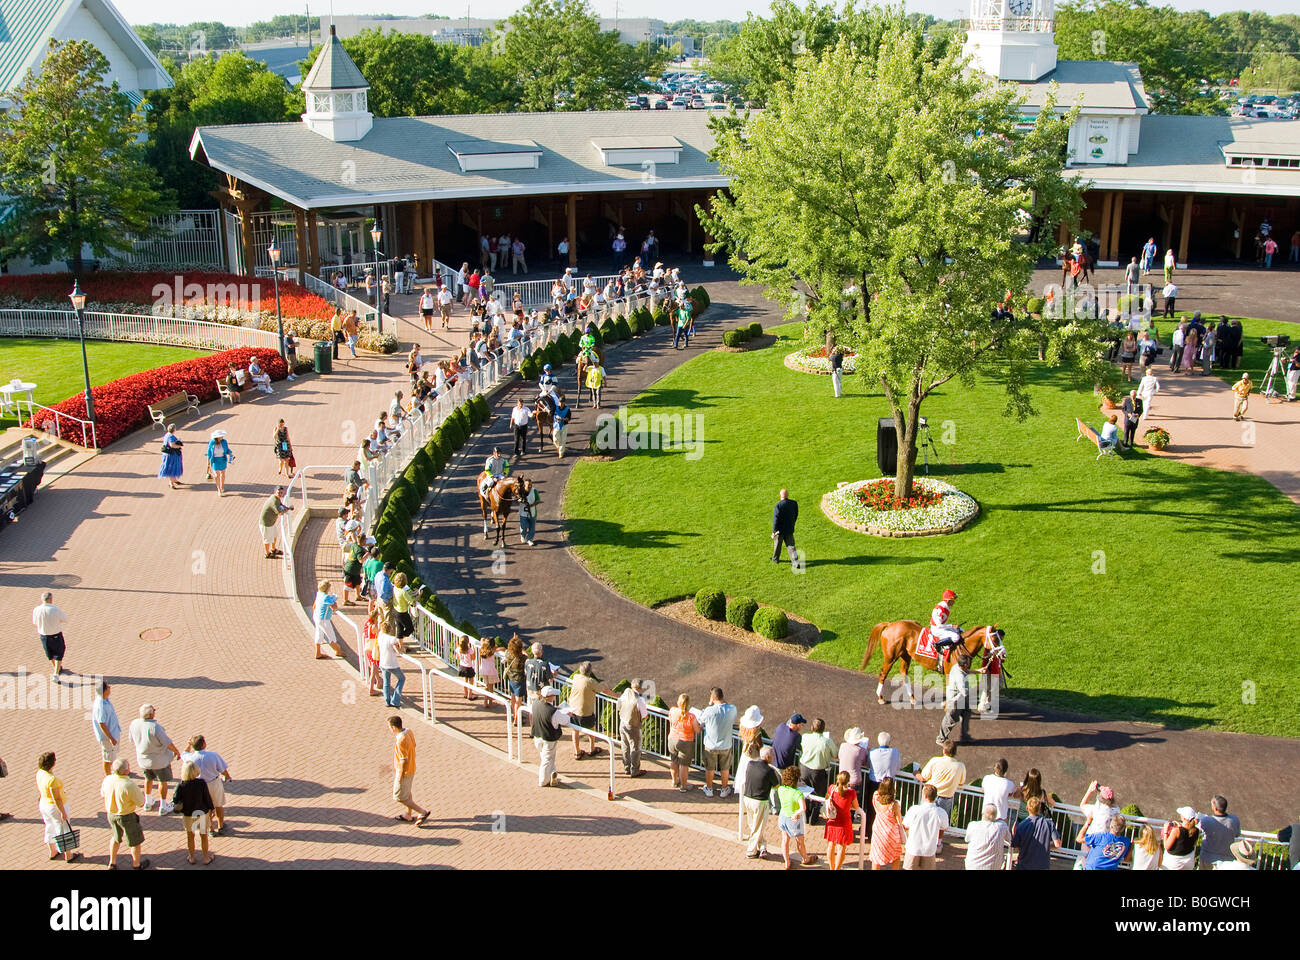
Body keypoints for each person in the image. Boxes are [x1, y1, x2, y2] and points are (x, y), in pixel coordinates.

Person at [129, 703, 181, 815]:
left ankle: (147, 802)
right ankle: (163, 805)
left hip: (143, 759)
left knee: (148, 778)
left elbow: (131, 740)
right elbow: (167, 743)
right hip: (159, 761)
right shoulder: (155, 727)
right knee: (162, 781)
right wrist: (176, 751)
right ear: (151, 714)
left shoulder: (134, 724)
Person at [101, 759, 148, 869]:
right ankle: (136, 865)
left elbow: (103, 794)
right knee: (135, 841)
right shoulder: (129, 785)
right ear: (127, 770)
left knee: (116, 837)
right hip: (127, 816)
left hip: (111, 814)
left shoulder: (107, 779)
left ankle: (112, 863)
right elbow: (141, 803)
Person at [181, 735, 233, 835]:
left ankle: (211, 829)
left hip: (199, 786)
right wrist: (228, 776)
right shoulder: (213, 755)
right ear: (204, 744)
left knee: (206, 807)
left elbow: (184, 753)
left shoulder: (190, 758)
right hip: (214, 783)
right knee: (218, 805)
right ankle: (220, 826)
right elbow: (223, 770)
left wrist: (188, 745)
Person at [36, 752, 80, 863]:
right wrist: (63, 812)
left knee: (49, 826)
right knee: (63, 828)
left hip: (44, 804)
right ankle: (68, 855)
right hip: (55, 807)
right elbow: (57, 799)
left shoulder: (40, 773)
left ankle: (53, 851)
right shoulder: (52, 780)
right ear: (52, 763)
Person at [771, 766, 817, 869]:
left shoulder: (781, 789)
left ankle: (787, 862)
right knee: (800, 841)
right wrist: (797, 813)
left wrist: (798, 784)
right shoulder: (798, 793)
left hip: (783, 817)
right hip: (794, 820)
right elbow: (803, 808)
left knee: (785, 840)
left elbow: (788, 788)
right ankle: (805, 858)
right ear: (796, 779)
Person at [740, 745, 780, 860]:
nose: (774, 757)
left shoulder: (751, 764)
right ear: (767, 757)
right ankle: (751, 851)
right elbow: (776, 786)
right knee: (758, 827)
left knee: (754, 825)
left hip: (747, 798)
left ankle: (762, 846)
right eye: (772, 755)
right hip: (760, 802)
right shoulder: (769, 771)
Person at [700, 687, 738, 798]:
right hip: (725, 745)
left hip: (711, 745)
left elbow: (700, 721)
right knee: (725, 768)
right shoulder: (732, 709)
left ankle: (709, 788)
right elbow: (727, 705)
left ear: (712, 697)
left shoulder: (709, 710)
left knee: (709, 768)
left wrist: (711, 703)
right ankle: (724, 788)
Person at [174, 761, 215, 864]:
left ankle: (191, 857)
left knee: (190, 835)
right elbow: (207, 798)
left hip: (188, 814)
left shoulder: (181, 785)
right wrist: (212, 808)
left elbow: (176, 800)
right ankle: (206, 858)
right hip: (201, 812)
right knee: (203, 835)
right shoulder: (201, 783)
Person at [918, 740, 966, 827]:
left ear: (944, 751)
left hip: (929, 795)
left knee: (923, 822)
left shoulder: (935, 761)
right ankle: (938, 841)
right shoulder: (960, 766)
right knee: (940, 825)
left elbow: (923, 777)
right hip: (946, 799)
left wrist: (915, 772)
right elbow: (961, 783)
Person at [902, 783, 948, 870]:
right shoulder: (940, 812)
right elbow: (945, 826)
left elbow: (905, 825)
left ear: (924, 796)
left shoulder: (914, 809)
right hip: (929, 849)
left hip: (913, 847)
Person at [531, 686, 570, 788]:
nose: (555, 697)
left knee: (545, 757)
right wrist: (568, 715)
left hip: (537, 735)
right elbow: (565, 720)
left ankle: (552, 772)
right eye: (553, 696)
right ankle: (543, 780)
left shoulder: (535, 704)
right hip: (548, 738)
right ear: (550, 697)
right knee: (547, 759)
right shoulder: (552, 712)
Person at [796, 718, 834, 821]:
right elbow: (835, 754)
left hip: (804, 768)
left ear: (812, 727)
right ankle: (813, 818)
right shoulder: (827, 741)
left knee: (803, 792)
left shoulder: (805, 737)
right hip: (818, 771)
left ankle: (805, 816)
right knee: (818, 794)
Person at [1011, 795, 1061, 869]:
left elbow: (1015, 845)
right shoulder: (1049, 823)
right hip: (1042, 865)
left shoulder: (1021, 825)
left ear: (1027, 808)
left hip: (1024, 865)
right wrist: (1045, 845)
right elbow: (1057, 844)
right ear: (1040, 808)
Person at [822, 771, 858, 870]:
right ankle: (837, 868)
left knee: (830, 844)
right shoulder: (851, 793)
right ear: (848, 781)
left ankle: (831, 867)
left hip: (832, 821)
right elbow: (856, 806)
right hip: (844, 822)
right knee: (841, 847)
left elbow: (827, 798)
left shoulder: (831, 788)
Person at [566, 661, 602, 759]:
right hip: (585, 712)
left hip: (573, 710)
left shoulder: (576, 677)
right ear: (590, 671)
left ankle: (577, 752)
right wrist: (616, 695)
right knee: (591, 730)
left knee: (575, 731)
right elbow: (602, 689)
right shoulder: (591, 681)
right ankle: (592, 748)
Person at [1196, 795, 1241, 870]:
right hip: (1227, 861)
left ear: (1215, 808)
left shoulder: (1206, 820)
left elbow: (1196, 832)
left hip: (1208, 858)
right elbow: (1237, 834)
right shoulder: (1234, 819)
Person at [667, 693, 701, 791]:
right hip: (686, 742)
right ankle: (683, 786)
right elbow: (697, 730)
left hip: (672, 739)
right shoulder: (691, 717)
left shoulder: (673, 711)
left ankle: (674, 781)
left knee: (673, 761)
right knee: (684, 765)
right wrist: (701, 726)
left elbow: (671, 720)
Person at [938, 651, 973, 745]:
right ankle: (941, 739)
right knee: (950, 720)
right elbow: (964, 691)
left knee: (967, 713)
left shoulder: (957, 666)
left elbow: (966, 671)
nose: (970, 664)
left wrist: (979, 671)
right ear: (965, 665)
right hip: (956, 701)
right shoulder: (960, 677)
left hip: (961, 698)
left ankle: (964, 735)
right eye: (968, 663)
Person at [33, 590, 68, 679]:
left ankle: (57, 668)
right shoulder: (54, 609)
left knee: (50, 654)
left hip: (43, 636)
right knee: (59, 653)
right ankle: (56, 673)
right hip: (55, 635)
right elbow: (64, 619)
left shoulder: (36, 610)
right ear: (50, 599)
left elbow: (35, 622)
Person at [870, 778, 905, 870]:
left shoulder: (875, 796)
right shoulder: (894, 805)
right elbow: (899, 820)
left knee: (876, 856)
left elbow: (878, 792)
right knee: (896, 856)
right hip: (891, 833)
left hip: (878, 829)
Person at [617, 679, 648, 778]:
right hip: (633, 726)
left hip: (622, 723)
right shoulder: (640, 700)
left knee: (625, 746)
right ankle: (635, 770)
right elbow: (644, 715)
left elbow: (619, 704)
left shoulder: (626, 692)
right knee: (635, 748)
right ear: (640, 689)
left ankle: (627, 768)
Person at [965, 804, 1010, 870]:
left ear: (982, 813)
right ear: (995, 816)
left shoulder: (973, 825)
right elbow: (1009, 839)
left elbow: (967, 839)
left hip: (972, 865)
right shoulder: (1002, 826)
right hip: (993, 867)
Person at [91, 681, 121, 775]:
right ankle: (108, 776)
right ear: (104, 691)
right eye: (108, 687)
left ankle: (112, 771)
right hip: (107, 737)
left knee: (112, 755)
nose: (109, 687)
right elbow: (102, 723)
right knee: (108, 758)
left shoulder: (105, 699)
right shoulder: (101, 706)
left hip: (113, 733)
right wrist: (111, 738)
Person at [928, 588, 962, 663]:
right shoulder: (941, 609)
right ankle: (937, 644)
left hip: (941, 627)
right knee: (956, 637)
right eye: (953, 600)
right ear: (948, 600)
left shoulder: (946, 606)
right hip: (936, 629)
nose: (954, 602)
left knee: (961, 630)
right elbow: (939, 625)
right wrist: (951, 626)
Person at [313, 580, 344, 660]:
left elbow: (314, 606)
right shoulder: (326, 597)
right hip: (324, 620)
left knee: (319, 635)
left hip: (317, 616)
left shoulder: (319, 594)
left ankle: (318, 653)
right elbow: (334, 607)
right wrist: (334, 601)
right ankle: (338, 651)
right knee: (331, 637)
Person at [982, 758, 1017, 823]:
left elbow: (983, 790)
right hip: (1001, 817)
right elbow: (1011, 794)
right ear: (1005, 770)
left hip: (986, 814)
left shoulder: (986, 778)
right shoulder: (1009, 784)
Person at [771, 489, 799, 567]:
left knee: (777, 545)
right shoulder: (794, 503)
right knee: (791, 546)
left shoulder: (778, 506)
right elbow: (796, 515)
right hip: (789, 529)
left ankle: (775, 559)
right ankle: (796, 563)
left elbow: (775, 519)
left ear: (780, 496)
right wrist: (792, 523)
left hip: (780, 530)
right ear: (788, 495)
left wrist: (774, 531)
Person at [205, 429, 233, 496]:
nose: (222, 437)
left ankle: (222, 486)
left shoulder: (224, 442)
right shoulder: (212, 442)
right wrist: (208, 463)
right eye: (221, 436)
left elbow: (227, 449)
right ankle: (219, 489)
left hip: (222, 459)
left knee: (223, 473)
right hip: (215, 460)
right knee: (217, 475)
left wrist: (230, 453)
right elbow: (209, 453)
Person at [159, 423, 184, 489]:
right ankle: (171, 483)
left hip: (168, 454)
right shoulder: (171, 437)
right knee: (172, 468)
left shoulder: (167, 435)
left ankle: (174, 480)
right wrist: (179, 446)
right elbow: (172, 445)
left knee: (171, 468)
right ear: (174, 429)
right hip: (172, 455)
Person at [518, 477, 540, 547]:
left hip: (532, 512)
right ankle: (523, 535)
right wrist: (520, 501)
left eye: (531, 484)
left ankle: (530, 539)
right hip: (523, 513)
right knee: (524, 526)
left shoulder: (534, 491)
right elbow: (517, 499)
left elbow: (538, 500)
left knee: (532, 527)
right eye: (528, 485)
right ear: (524, 485)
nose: (530, 486)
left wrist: (532, 505)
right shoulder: (521, 491)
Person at [552, 393, 572, 458]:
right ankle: (558, 446)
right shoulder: (555, 408)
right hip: (556, 425)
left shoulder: (567, 409)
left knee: (563, 440)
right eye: (560, 402)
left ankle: (561, 453)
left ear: (564, 403)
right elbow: (552, 414)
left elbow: (568, 419)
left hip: (564, 425)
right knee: (555, 439)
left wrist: (563, 419)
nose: (560, 404)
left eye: (562, 403)